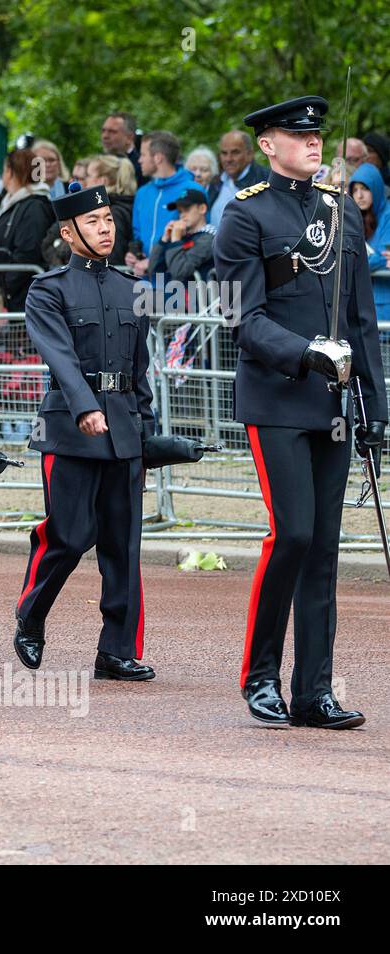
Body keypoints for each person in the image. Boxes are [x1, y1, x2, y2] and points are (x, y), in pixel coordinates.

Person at [215, 95, 386, 729]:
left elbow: (362, 320)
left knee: (323, 549)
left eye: (316, 136)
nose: (312, 143)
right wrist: (306, 352)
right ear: (268, 145)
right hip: (278, 396)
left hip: (334, 405)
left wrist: (376, 404)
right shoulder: (243, 217)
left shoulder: (342, 212)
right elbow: (244, 320)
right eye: (296, 135)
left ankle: (314, 691)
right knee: (291, 534)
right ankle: (261, 676)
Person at [12, 182, 157, 682]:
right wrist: (83, 406)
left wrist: (149, 431)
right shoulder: (48, 290)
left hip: (122, 429)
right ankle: (31, 611)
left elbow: (140, 370)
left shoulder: (132, 288)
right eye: (94, 223)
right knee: (70, 537)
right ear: (70, 233)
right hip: (72, 430)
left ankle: (116, 650)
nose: (105, 229)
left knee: (123, 544)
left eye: (109, 222)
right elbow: (60, 357)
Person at [0, 146, 54, 312]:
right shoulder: (8, 204)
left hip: (17, 305)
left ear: (10, 172)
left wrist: (1, 291)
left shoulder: (35, 207)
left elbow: (27, 255)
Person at [132, 130, 197, 255]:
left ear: (158, 158)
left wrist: (152, 262)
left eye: (143, 155)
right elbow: (137, 235)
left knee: (159, 276)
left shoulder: (193, 190)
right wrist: (135, 256)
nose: (139, 160)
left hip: (170, 272)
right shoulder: (142, 193)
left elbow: (197, 239)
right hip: (144, 273)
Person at [144, 187, 216, 282]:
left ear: (202, 209)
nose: (182, 215)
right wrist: (164, 240)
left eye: (187, 209)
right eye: (180, 211)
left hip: (198, 295)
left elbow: (180, 271)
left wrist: (176, 240)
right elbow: (154, 271)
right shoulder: (182, 236)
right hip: (175, 294)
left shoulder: (210, 237)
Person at [82, 154, 136, 266]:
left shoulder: (112, 213)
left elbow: (110, 257)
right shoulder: (121, 206)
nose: (84, 180)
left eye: (88, 175)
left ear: (103, 181)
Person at [353, 162, 390, 322]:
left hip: (384, 304)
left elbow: (384, 256)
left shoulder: (388, 216)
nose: (359, 195)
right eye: (355, 190)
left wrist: (355, 263)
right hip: (362, 304)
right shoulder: (354, 218)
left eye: (365, 188)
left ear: (375, 187)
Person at [208, 130, 266, 227]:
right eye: (224, 153)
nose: (228, 159)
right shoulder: (216, 182)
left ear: (249, 154)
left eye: (235, 152)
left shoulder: (264, 181)